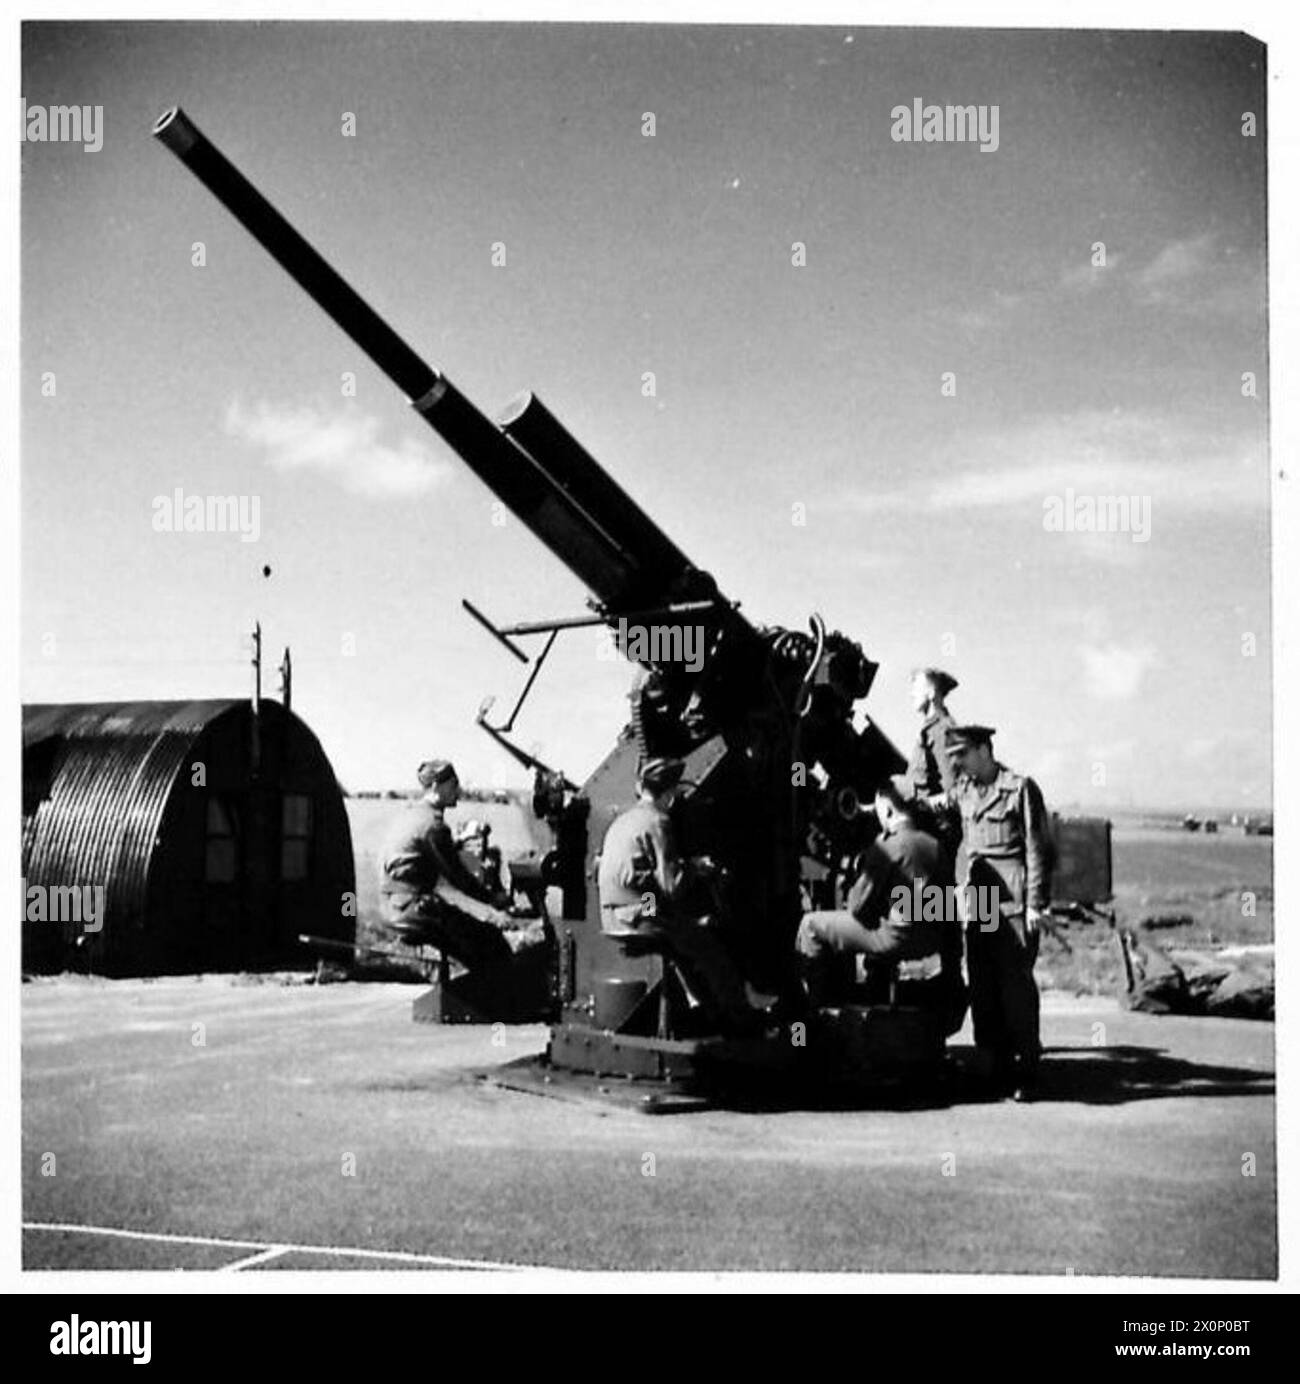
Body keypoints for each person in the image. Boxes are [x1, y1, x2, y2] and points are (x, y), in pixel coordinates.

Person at [597, 756, 758, 1031]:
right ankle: (741, 1022)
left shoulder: (624, 820)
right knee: (709, 944)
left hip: (612, 914)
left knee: (683, 939)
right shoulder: (658, 822)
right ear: (670, 795)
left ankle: (701, 1005)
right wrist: (698, 868)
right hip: (640, 915)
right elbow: (673, 885)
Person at [941, 725, 1053, 1101]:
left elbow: (1039, 850)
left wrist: (1037, 904)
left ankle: (1027, 1067)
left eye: (963, 754)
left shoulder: (1019, 789)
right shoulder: (965, 791)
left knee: (1015, 987)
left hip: (1014, 900)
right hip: (981, 899)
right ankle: (995, 1063)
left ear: (984, 750)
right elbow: (939, 808)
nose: (957, 762)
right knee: (983, 984)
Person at [796, 777, 961, 1018]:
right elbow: (943, 906)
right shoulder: (935, 846)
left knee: (810, 925)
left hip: (894, 937)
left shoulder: (887, 848)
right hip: (928, 938)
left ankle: (815, 1013)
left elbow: (857, 908)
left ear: (887, 809)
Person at [377, 759, 526, 978]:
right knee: (492, 941)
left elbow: (422, 853)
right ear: (437, 786)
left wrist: (459, 841)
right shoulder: (434, 825)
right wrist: (494, 899)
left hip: (392, 905)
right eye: (453, 784)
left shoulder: (412, 814)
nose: (459, 790)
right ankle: (494, 1006)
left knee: (473, 940)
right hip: (414, 908)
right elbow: (458, 878)